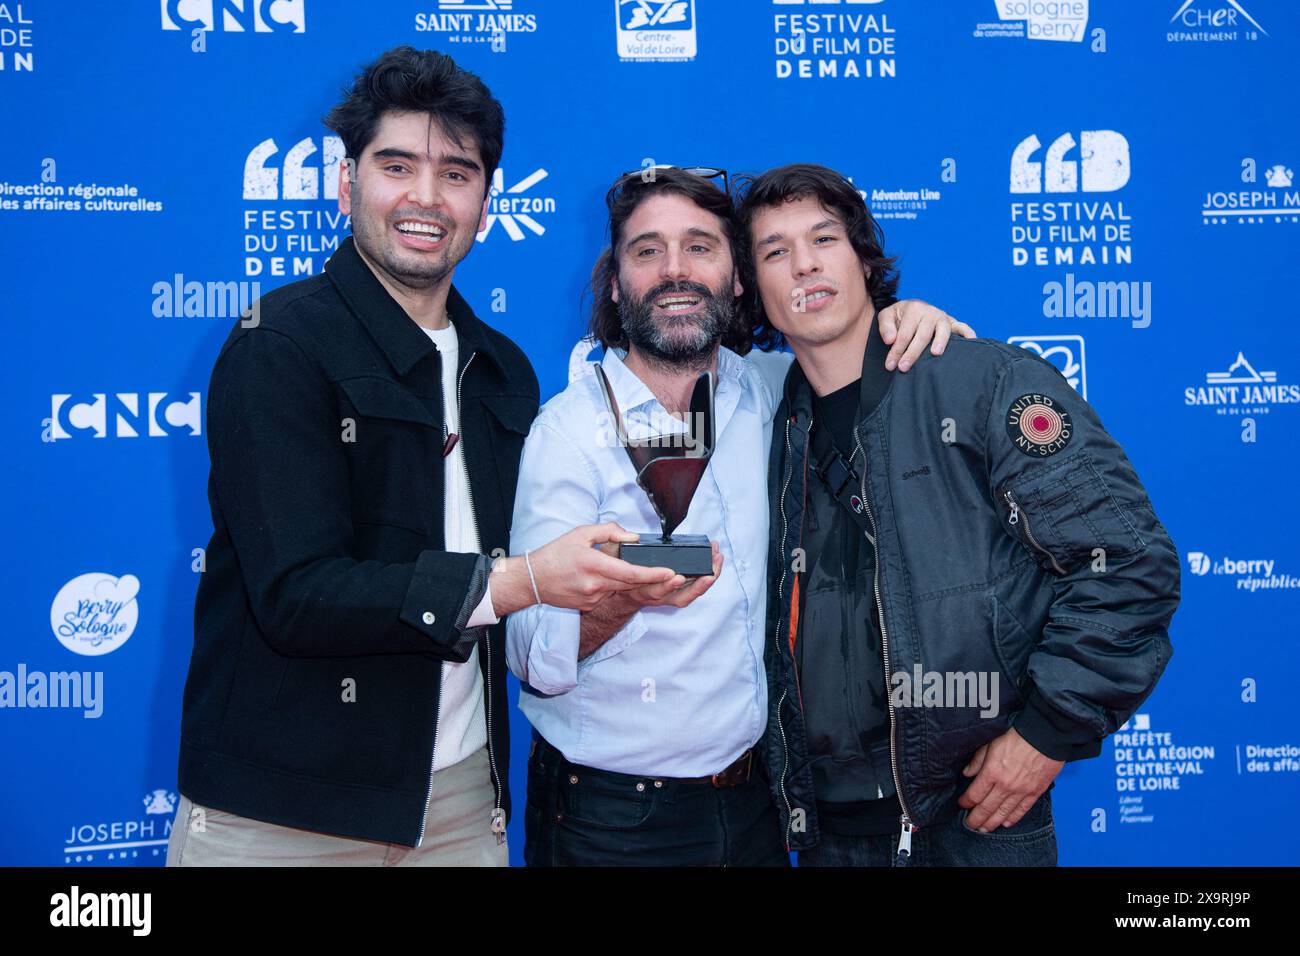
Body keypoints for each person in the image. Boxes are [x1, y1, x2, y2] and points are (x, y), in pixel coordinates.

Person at [167, 47, 675, 867]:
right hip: (284, 812)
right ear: (347, 182)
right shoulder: (280, 345)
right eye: (396, 166)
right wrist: (519, 581)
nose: (426, 198)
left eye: (457, 173)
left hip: (461, 800)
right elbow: (298, 593)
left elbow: (523, 592)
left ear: (487, 199)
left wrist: (608, 593)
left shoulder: (504, 369)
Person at [506, 166, 971, 866]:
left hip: (759, 802)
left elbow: (844, 348)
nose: (675, 271)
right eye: (646, 251)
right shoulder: (566, 434)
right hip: (612, 818)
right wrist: (625, 600)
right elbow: (533, 656)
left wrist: (904, 318)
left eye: (700, 247)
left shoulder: (770, 393)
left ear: (737, 278)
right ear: (613, 282)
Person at [741, 164, 1180, 867]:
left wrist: (1045, 735)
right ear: (753, 288)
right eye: (773, 251)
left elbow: (1126, 564)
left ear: (863, 258)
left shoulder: (980, 381)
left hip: (975, 827)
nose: (804, 264)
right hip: (825, 833)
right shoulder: (762, 418)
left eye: (824, 238)